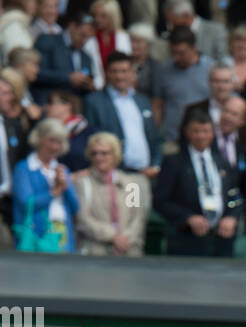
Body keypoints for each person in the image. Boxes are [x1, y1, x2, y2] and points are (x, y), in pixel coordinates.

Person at [153, 106, 242, 256]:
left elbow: (235, 196)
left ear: (213, 134)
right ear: (188, 133)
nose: (201, 136)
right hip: (186, 239)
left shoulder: (222, 163)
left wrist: (231, 217)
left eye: (205, 131)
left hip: (220, 238)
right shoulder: (174, 162)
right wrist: (187, 217)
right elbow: (160, 201)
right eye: (196, 131)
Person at [73, 131, 150, 256]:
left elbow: (137, 218)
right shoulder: (82, 184)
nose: (99, 157)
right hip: (95, 251)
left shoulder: (130, 184)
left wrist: (124, 239)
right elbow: (83, 219)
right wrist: (112, 237)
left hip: (127, 250)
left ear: (115, 155)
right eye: (94, 153)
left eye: (104, 153)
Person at [83, 51, 161, 175]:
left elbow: (153, 136)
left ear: (132, 73)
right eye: (114, 71)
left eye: (124, 71)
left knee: (138, 194)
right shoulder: (94, 102)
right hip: (114, 174)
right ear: (106, 73)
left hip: (146, 173)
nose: (119, 76)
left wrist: (156, 164)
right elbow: (91, 140)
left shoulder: (143, 101)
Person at [12, 117, 79, 252]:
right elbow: (26, 203)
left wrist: (65, 186)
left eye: (59, 142)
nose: (55, 147)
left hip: (63, 233)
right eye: (51, 140)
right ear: (39, 138)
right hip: (37, 236)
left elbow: (75, 207)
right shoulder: (24, 168)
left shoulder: (62, 169)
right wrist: (54, 192)